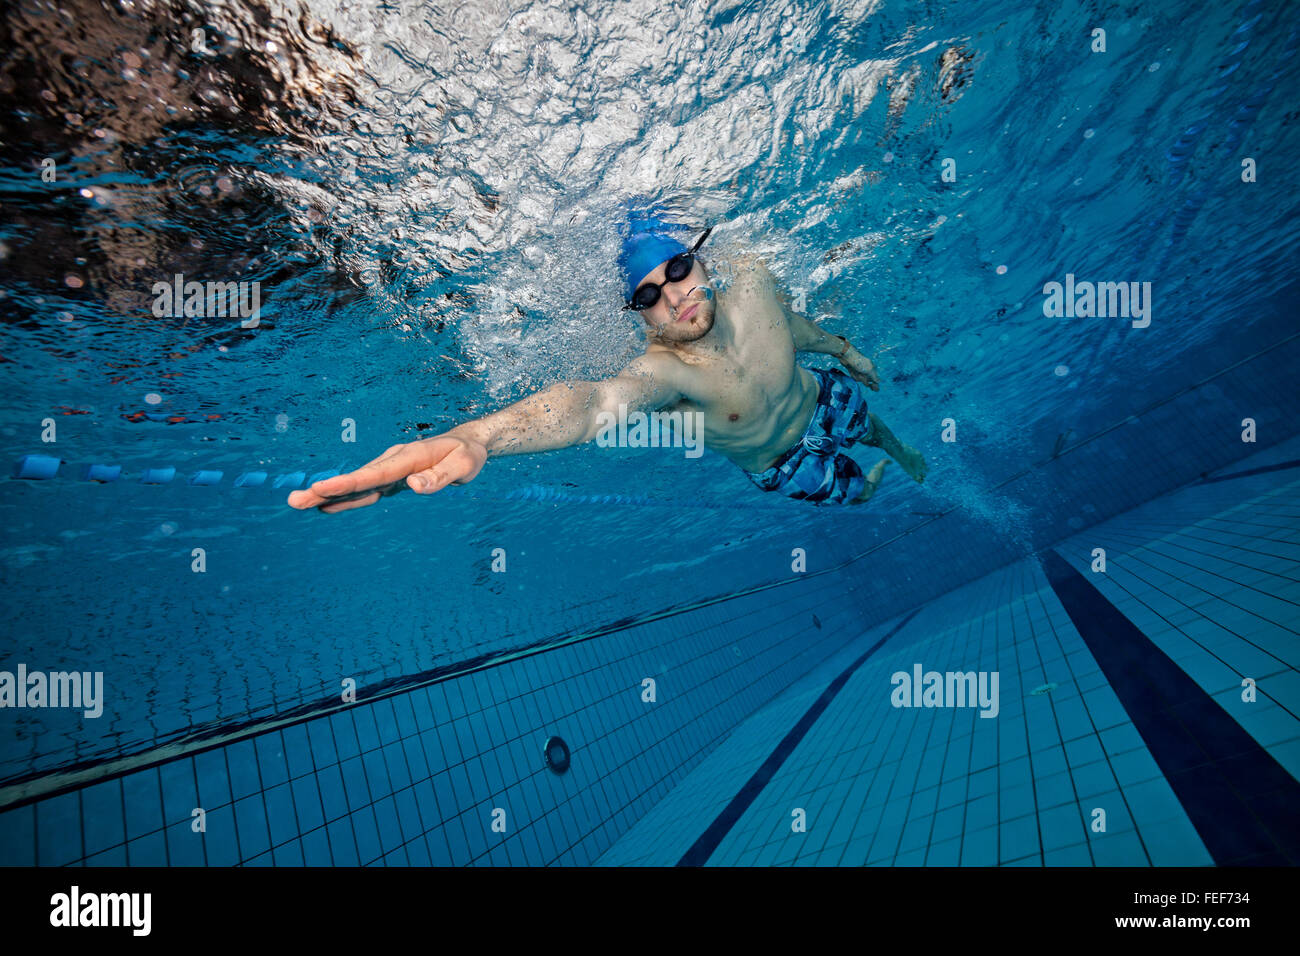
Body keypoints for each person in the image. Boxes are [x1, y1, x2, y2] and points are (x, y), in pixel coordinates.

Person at [288, 213, 927, 514]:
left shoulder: (756, 285)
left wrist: (844, 349)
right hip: (777, 462)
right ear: (639, 314)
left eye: (678, 270)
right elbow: (589, 404)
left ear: (702, 260)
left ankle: (894, 451)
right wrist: (477, 436)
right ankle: (870, 484)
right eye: (648, 295)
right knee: (853, 495)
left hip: (820, 393)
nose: (672, 295)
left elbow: (792, 329)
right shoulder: (667, 376)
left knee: (871, 427)